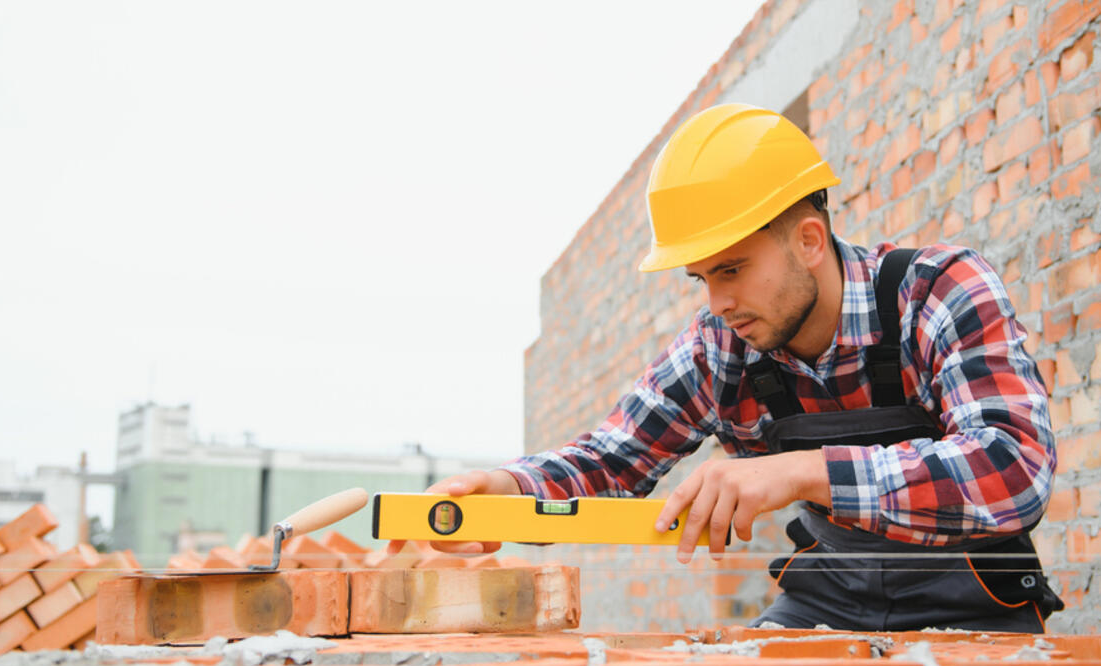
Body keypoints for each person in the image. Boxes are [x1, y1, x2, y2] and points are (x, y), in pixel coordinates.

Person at [391, 103, 1062, 632]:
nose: (717, 304)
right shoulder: (722, 348)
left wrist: (800, 471)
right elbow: (608, 463)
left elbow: (1013, 469)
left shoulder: (939, 291)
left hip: (979, 607)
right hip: (824, 603)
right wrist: (503, 495)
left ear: (807, 241)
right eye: (701, 278)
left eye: (733, 270)